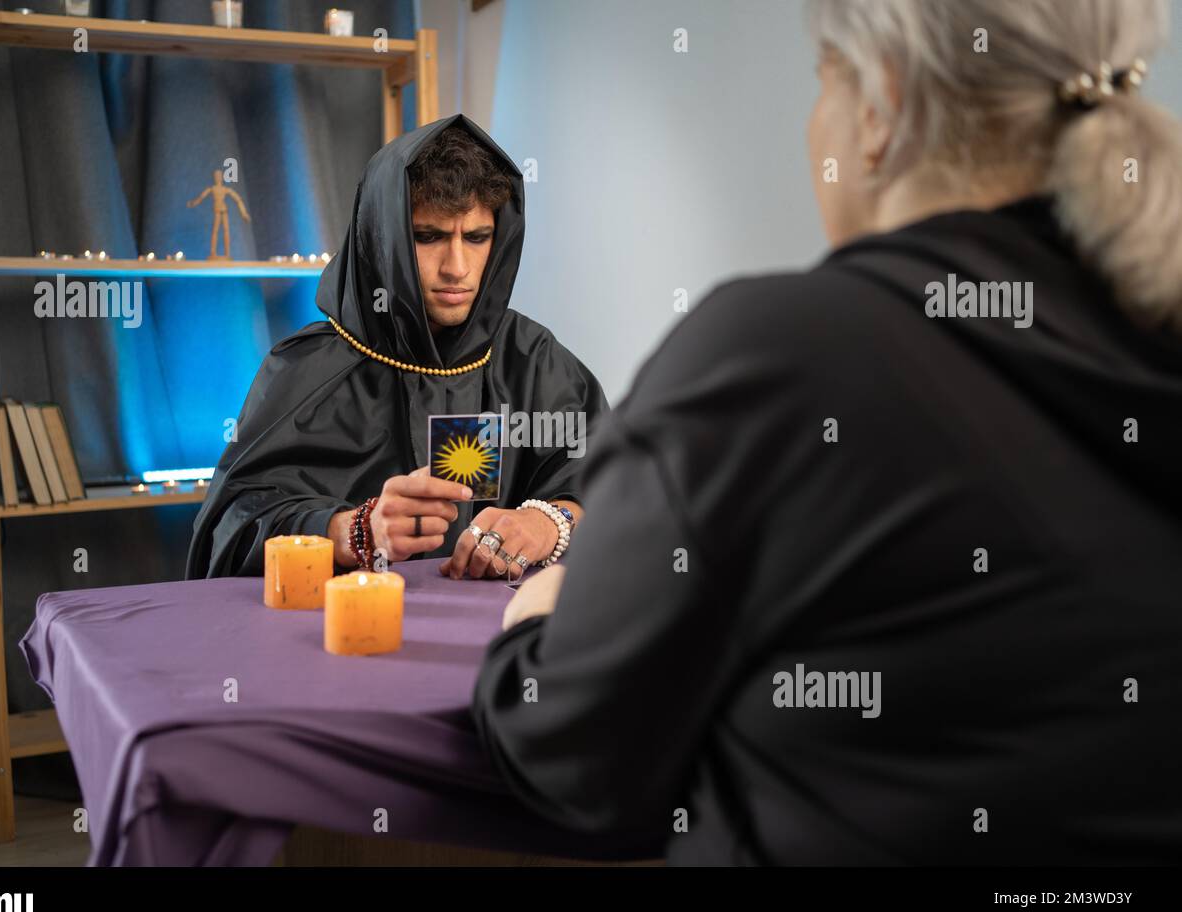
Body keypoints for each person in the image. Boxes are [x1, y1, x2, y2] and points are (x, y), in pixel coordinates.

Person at [472, 0, 1182, 865]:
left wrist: (536, 613)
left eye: (824, 87)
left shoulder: (772, 357)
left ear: (878, 108)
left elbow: (572, 752)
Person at [187, 116, 606, 580]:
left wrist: (549, 521)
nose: (457, 267)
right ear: (381, 239)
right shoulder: (305, 370)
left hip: (498, 639)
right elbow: (229, 529)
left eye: (477, 237)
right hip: (336, 641)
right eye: (428, 237)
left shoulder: (534, 359)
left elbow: (615, 482)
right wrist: (351, 531)